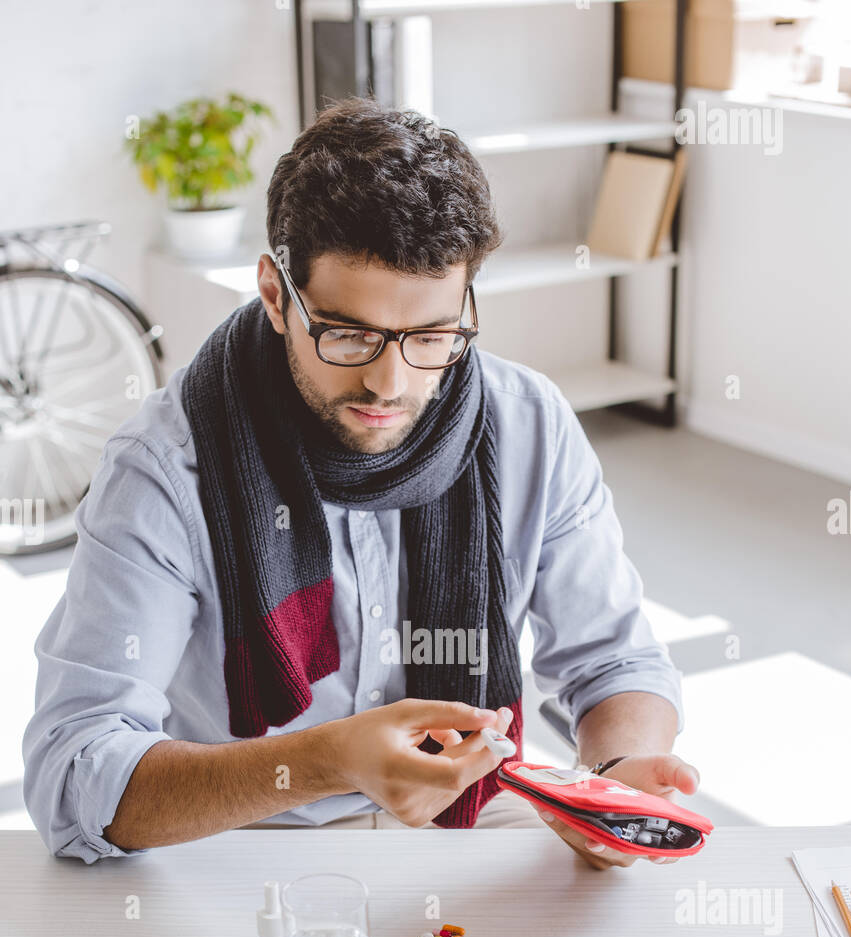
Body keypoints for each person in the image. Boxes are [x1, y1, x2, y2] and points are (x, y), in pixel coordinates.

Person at [22, 97, 698, 869]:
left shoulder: (528, 424)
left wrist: (610, 784)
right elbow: (72, 777)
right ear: (277, 296)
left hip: (476, 811)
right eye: (348, 334)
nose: (389, 382)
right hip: (246, 837)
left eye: (431, 336)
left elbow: (614, 663)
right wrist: (326, 760)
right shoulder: (165, 467)